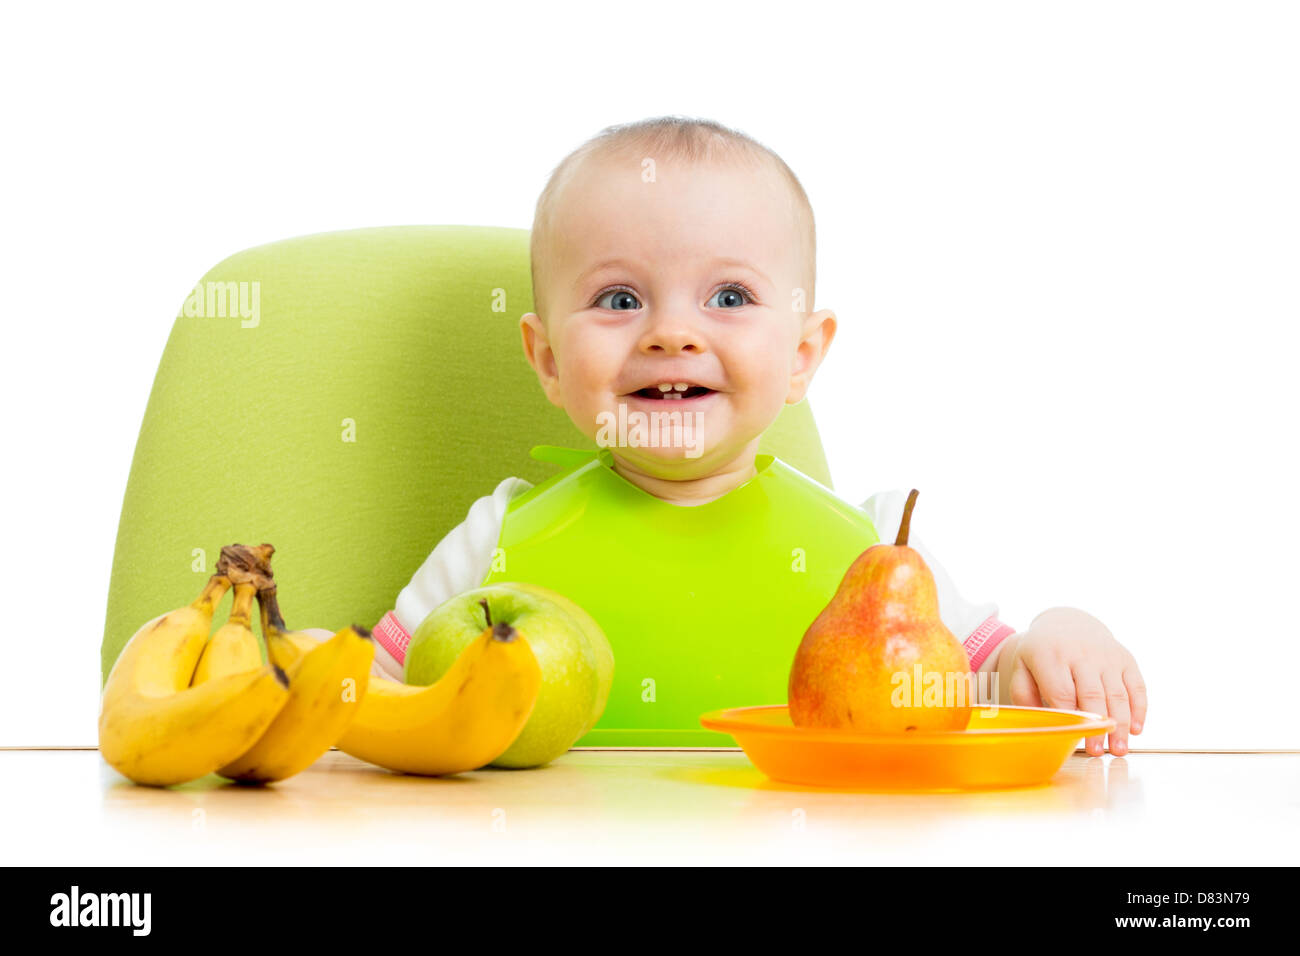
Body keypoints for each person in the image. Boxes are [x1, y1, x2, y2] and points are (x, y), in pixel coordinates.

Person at [322, 116, 1148, 756]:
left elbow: (986, 689)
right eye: (618, 300)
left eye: (727, 298)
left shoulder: (871, 556)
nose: (671, 334)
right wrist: (314, 663)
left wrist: (1056, 640)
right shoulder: (495, 544)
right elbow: (378, 705)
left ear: (800, 355)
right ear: (546, 359)